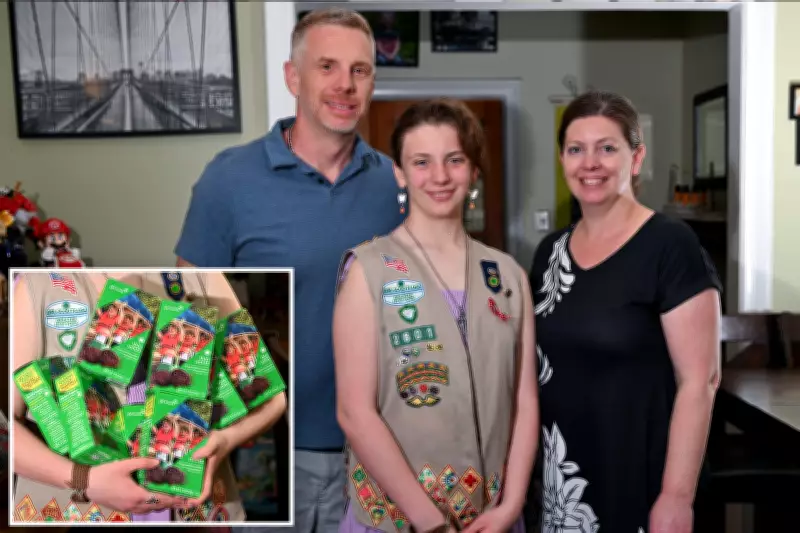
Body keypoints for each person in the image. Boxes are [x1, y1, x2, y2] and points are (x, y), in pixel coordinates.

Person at [174, 8, 404, 532]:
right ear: (292, 77)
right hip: (265, 455)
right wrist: (195, 478)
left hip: (379, 449)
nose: (345, 85)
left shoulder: (395, 184)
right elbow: (188, 322)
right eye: (327, 66)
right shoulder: (229, 181)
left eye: (360, 70)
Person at [333, 98, 539, 533]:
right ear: (401, 173)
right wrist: (430, 522)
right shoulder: (368, 271)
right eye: (422, 162)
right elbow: (354, 412)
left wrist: (511, 506)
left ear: (473, 170)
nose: (440, 177)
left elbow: (524, 402)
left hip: (494, 519)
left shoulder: (507, 276)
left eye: (454, 160)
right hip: (400, 521)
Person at [528, 90, 721, 533]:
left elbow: (701, 381)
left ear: (636, 159)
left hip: (642, 477)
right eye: (576, 149)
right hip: (564, 484)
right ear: (562, 160)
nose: (590, 163)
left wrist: (676, 497)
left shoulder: (671, 245)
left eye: (607, 148)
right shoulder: (548, 253)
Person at [11, 271, 287, 525]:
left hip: (194, 511)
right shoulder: (39, 285)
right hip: (75, 512)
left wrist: (225, 441)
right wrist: (85, 479)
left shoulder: (202, 276)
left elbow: (272, 399)